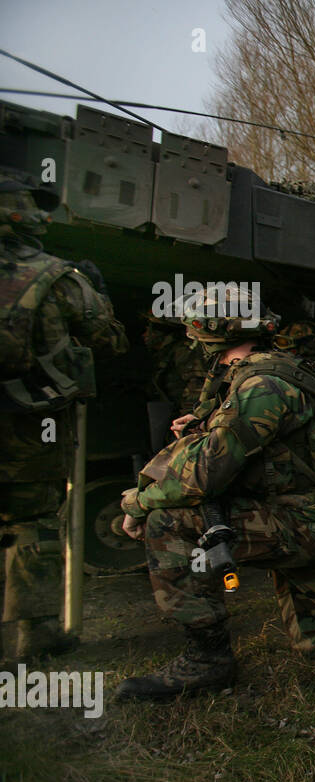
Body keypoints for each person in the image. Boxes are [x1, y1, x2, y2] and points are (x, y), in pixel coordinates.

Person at [114, 289, 315, 699]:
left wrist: (137, 501)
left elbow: (207, 472)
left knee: (169, 521)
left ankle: (207, 661)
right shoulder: (276, 370)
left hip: (307, 526)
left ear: (210, 334)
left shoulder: (261, 384)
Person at [0, 169, 127, 664]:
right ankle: (34, 635)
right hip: (30, 423)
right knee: (32, 524)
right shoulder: (57, 276)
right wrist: (97, 290)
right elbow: (111, 339)